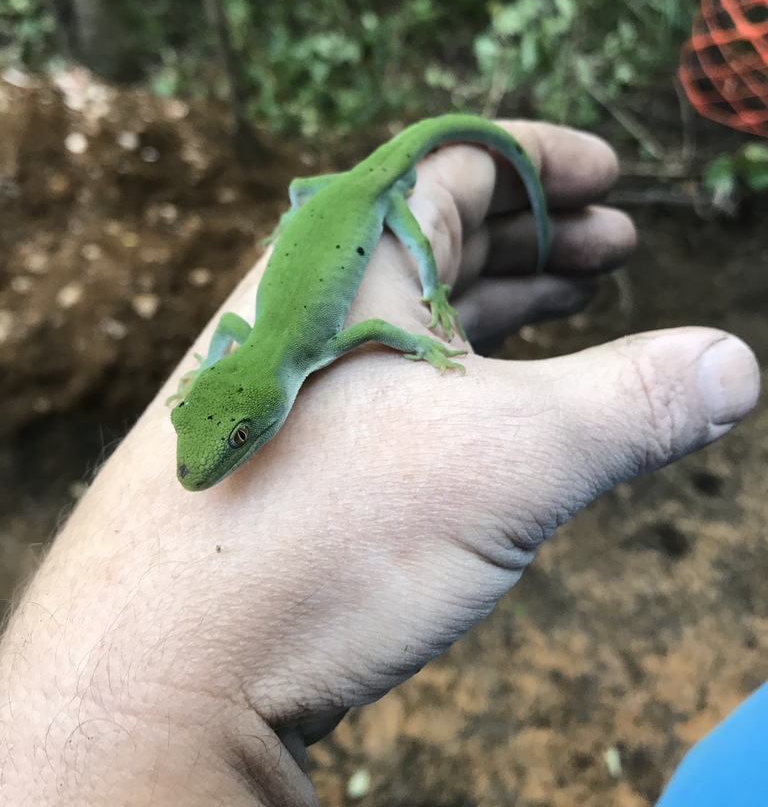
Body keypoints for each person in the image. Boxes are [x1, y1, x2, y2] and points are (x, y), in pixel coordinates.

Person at [0, 120, 759, 805]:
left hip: (369, 193)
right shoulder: (255, 359)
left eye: (236, 438)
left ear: (266, 411)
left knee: (413, 248)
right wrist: (207, 377)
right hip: (321, 196)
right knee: (309, 198)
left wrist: (429, 329)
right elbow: (232, 326)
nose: (201, 470)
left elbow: (371, 331)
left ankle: (430, 255)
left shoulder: (303, 349)